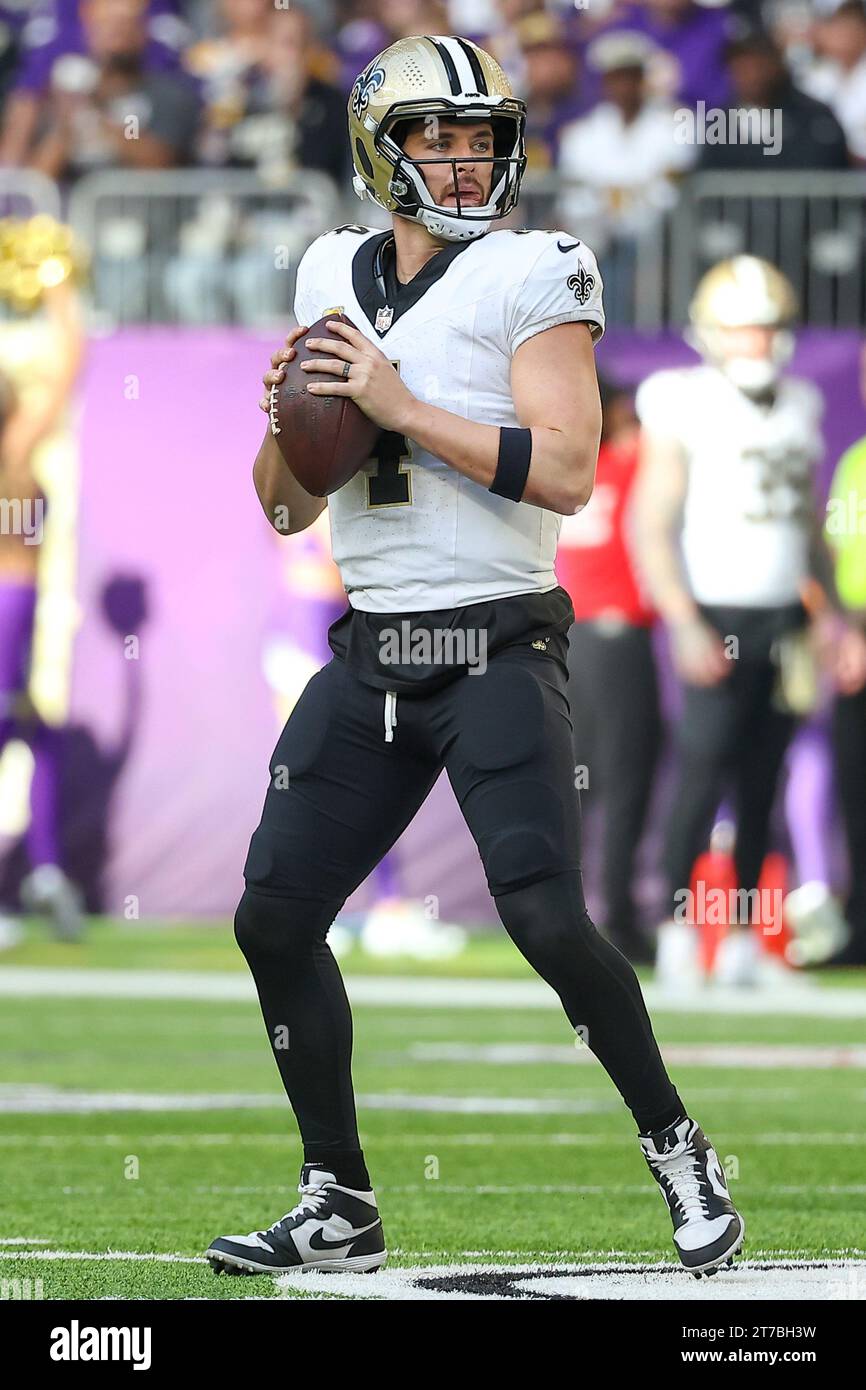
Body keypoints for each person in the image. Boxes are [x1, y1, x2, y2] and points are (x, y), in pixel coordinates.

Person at [206, 34, 744, 1282]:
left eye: (481, 136)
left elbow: (563, 466)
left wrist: (399, 408)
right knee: (274, 915)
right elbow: (284, 507)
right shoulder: (326, 270)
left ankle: (674, 1141)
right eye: (435, 137)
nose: (463, 158)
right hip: (374, 643)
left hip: (495, 637)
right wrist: (291, 419)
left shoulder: (532, 268)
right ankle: (336, 1195)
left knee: (545, 914)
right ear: (379, 151)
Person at [633, 255, 857, 987]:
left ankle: (743, 942)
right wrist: (685, 620)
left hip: (783, 614)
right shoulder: (680, 399)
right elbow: (649, 523)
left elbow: (808, 529)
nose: (757, 343)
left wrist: (833, 616)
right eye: (742, 329)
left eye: (765, 328)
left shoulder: (801, 403)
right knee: (702, 769)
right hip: (715, 605)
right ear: (711, 333)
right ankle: (675, 933)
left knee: (766, 774)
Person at [556, 376, 660, 965]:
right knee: (623, 780)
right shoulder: (627, 464)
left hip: (572, 636)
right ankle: (615, 914)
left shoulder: (571, 470)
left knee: (582, 780)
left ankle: (580, 910)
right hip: (618, 637)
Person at [0, 242, 85, 947]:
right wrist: (58, 282)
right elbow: (70, 364)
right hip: (13, 610)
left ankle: (42, 870)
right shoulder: (16, 450)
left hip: (17, 610)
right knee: (28, 731)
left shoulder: (17, 450)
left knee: (34, 732)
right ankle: (41, 870)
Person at [825, 341, 866, 963]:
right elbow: (835, 549)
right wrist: (842, 627)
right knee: (854, 790)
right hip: (857, 642)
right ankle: (858, 927)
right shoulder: (857, 458)